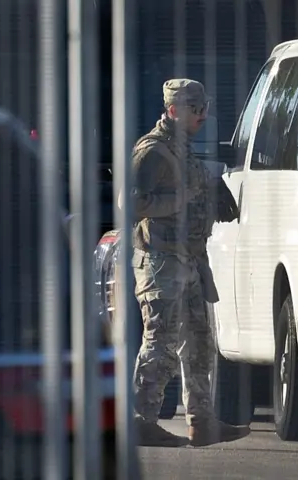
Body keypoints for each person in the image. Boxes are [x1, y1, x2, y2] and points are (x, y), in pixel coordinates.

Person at [127, 78, 249, 447]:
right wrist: (178, 202)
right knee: (160, 344)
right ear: (173, 110)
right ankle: (140, 420)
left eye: (204, 108)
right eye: (195, 109)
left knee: (199, 344)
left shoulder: (183, 150)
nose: (202, 116)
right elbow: (129, 203)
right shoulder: (153, 151)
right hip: (161, 264)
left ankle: (201, 421)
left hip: (192, 262)